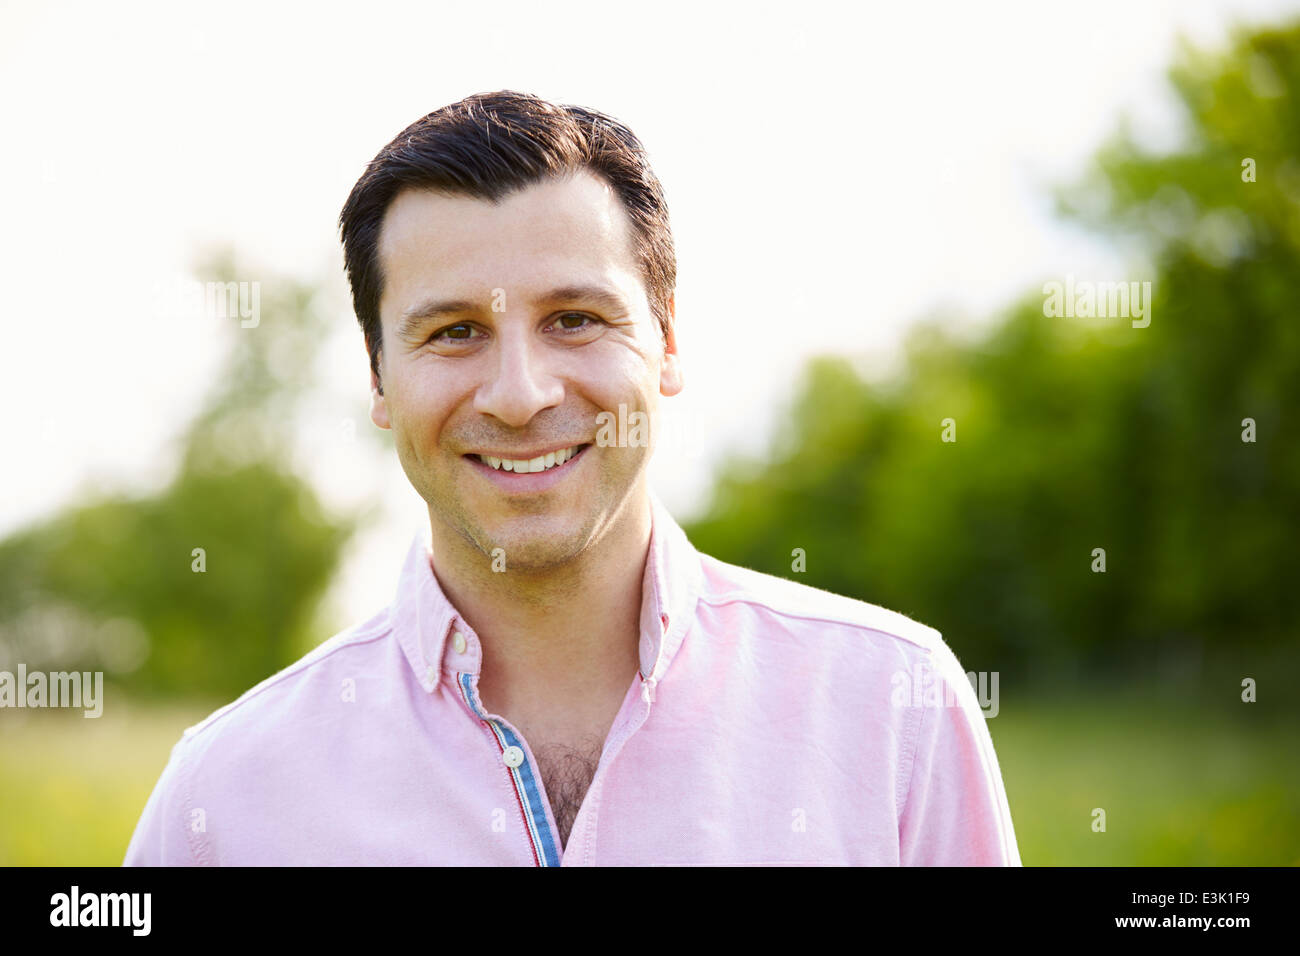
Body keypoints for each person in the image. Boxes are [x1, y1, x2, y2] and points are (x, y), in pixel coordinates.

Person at [124, 90, 1020, 866]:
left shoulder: (896, 712)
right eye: (454, 332)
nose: (519, 396)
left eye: (576, 319)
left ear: (667, 343)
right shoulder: (225, 798)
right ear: (377, 377)